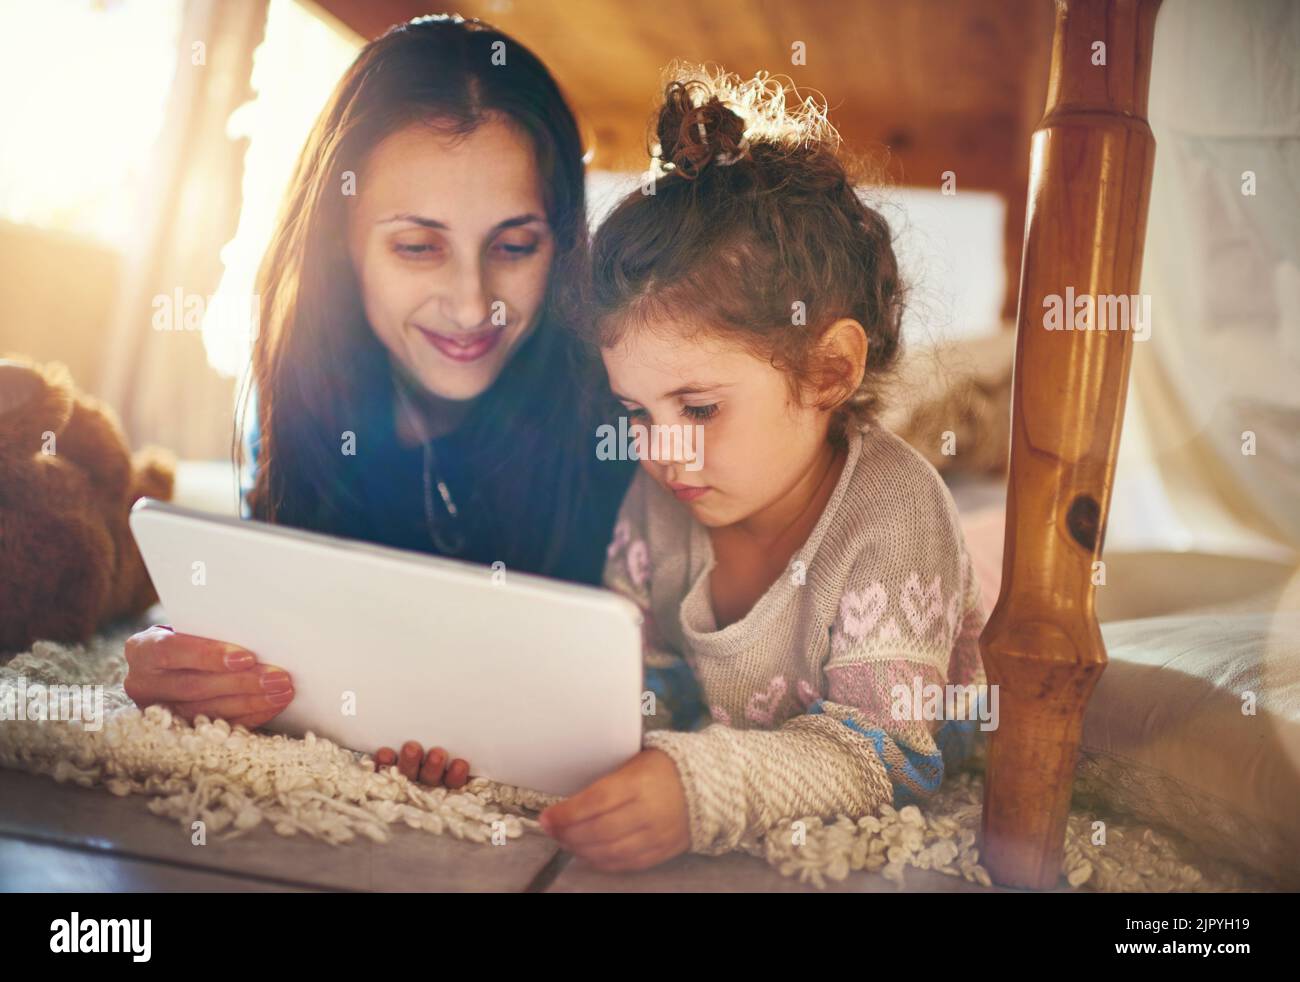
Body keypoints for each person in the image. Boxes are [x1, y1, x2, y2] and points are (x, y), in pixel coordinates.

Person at [123, 15, 634, 789]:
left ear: (562, 246)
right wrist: (187, 660)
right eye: (418, 246)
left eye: (515, 246)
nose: (472, 305)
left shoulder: (620, 406)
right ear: (342, 243)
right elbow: (279, 618)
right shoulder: (298, 389)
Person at [538, 67, 989, 871]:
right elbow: (627, 687)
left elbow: (890, 757)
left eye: (699, 408)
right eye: (637, 412)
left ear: (828, 372)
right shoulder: (659, 508)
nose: (659, 450)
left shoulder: (895, 513)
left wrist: (701, 786)